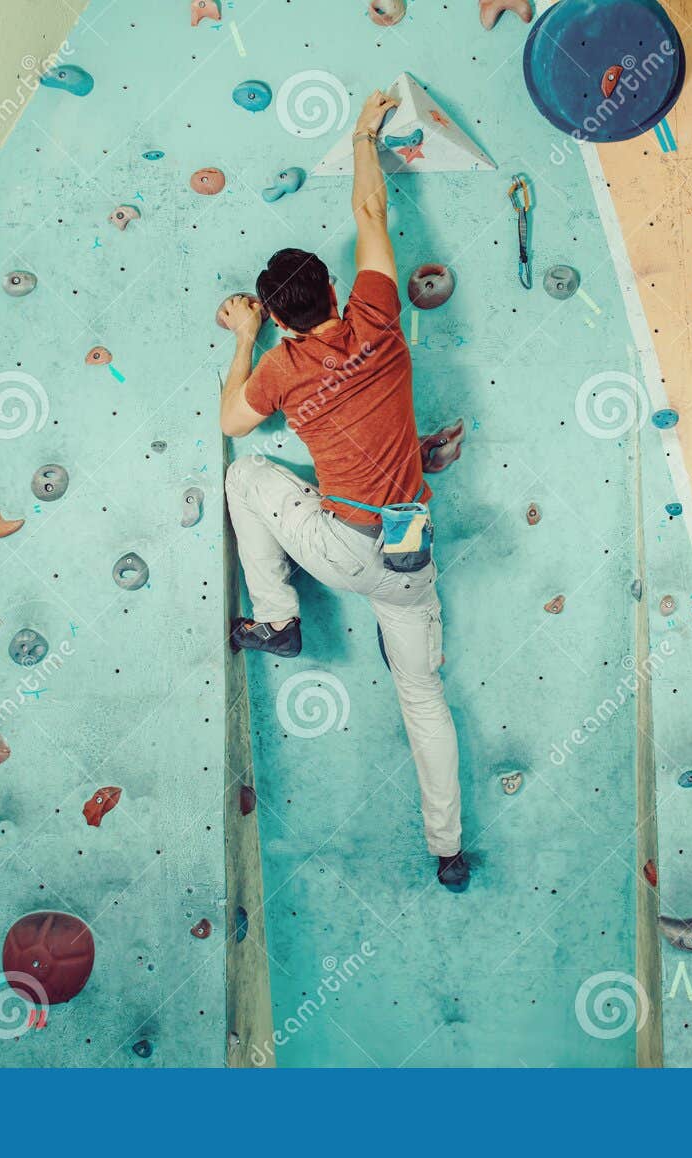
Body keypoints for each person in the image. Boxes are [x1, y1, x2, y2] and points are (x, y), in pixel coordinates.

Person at [217, 90, 468, 892]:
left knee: (247, 475)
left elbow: (232, 424)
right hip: (408, 555)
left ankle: (279, 620)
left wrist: (244, 336)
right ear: (332, 286)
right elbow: (369, 207)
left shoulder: (283, 366)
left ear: (286, 322)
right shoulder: (380, 312)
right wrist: (365, 127)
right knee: (423, 701)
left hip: (340, 545)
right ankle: (448, 852)